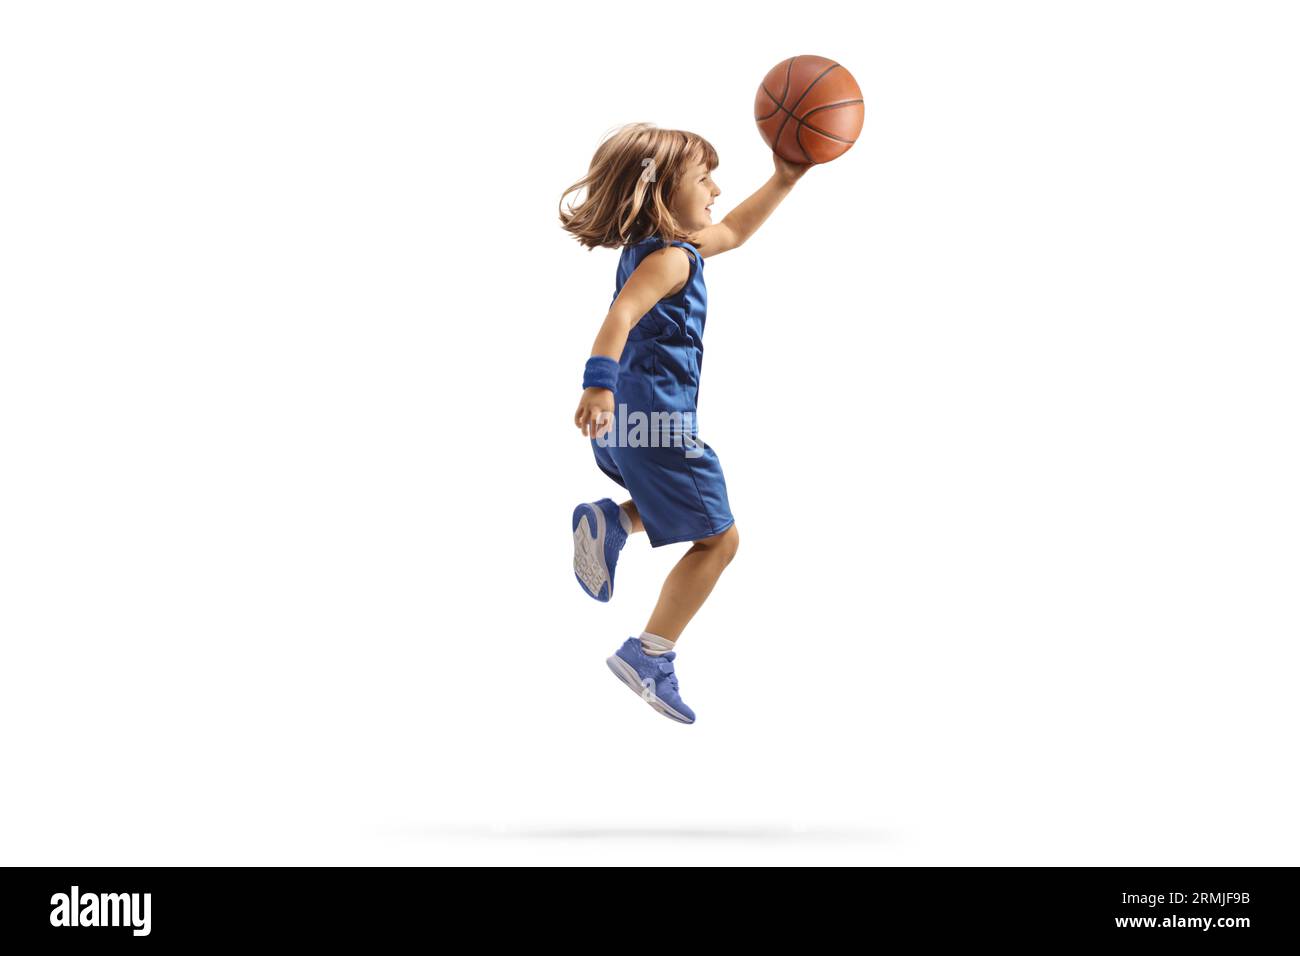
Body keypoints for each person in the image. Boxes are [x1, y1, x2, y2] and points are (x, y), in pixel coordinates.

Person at [559, 122, 809, 723]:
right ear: (660, 192)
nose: (717, 189)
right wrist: (597, 384)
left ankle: (614, 519)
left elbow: (734, 230)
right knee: (719, 539)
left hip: (633, 431)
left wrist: (784, 179)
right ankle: (649, 653)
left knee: (679, 501)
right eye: (704, 178)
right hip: (656, 422)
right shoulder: (672, 260)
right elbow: (621, 314)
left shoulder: (668, 249)